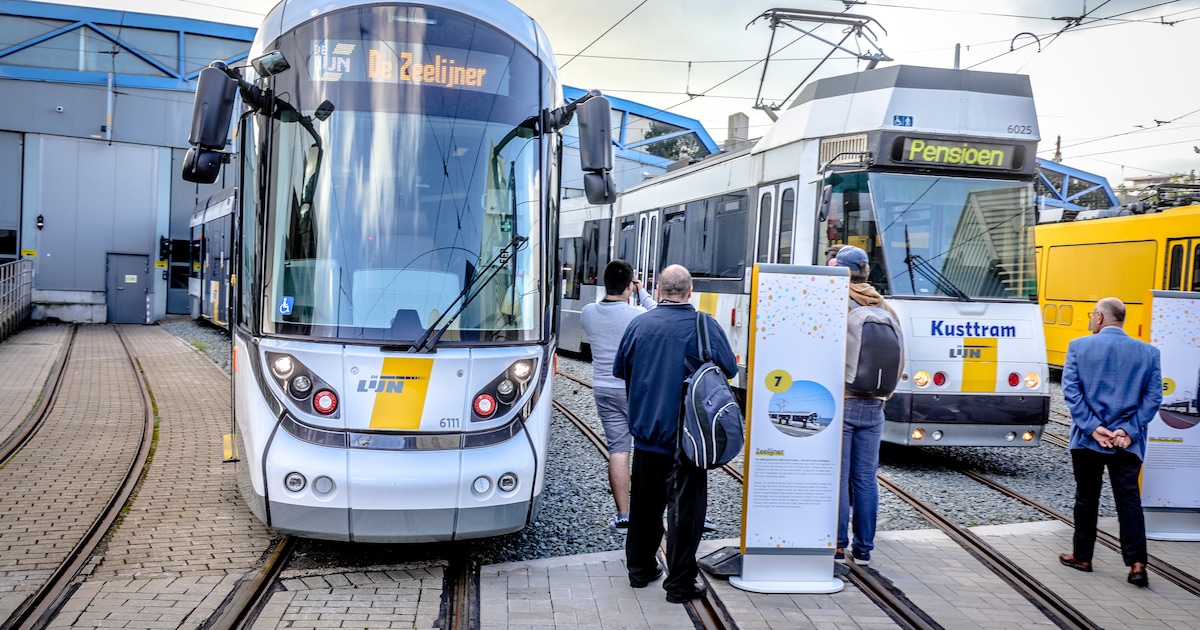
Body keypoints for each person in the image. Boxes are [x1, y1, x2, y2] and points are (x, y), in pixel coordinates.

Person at [613, 264, 737, 603]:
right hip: (689, 439)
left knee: (644, 507)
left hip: (647, 435)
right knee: (685, 514)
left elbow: (621, 369)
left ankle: (640, 571)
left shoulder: (638, 324)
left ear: (659, 289)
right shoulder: (704, 325)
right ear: (690, 291)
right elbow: (729, 368)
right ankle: (680, 584)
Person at [1058, 297, 1161, 587]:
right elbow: (1153, 398)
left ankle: (1083, 556)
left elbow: (1072, 392)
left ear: (1101, 318)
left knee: (1087, 497)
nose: (1092, 320)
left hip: (1088, 441)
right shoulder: (1149, 353)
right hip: (1128, 442)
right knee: (1129, 501)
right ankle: (1137, 564)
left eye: (1093, 315)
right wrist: (1128, 431)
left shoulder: (1079, 346)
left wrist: (1093, 429)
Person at [834, 245, 900, 567]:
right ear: (866, 272)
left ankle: (836, 544)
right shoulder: (885, 306)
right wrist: (883, 396)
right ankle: (863, 549)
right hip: (875, 406)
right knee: (865, 478)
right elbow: (900, 357)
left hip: (844, 401)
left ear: (840, 270)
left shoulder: (836, 301)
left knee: (840, 475)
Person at [580, 259, 656, 533]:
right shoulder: (637, 316)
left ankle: (624, 515)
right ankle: (649, 510)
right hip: (633, 390)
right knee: (647, 448)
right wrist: (642, 292)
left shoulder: (588, 312)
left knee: (619, 450)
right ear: (628, 286)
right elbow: (658, 314)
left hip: (603, 389)